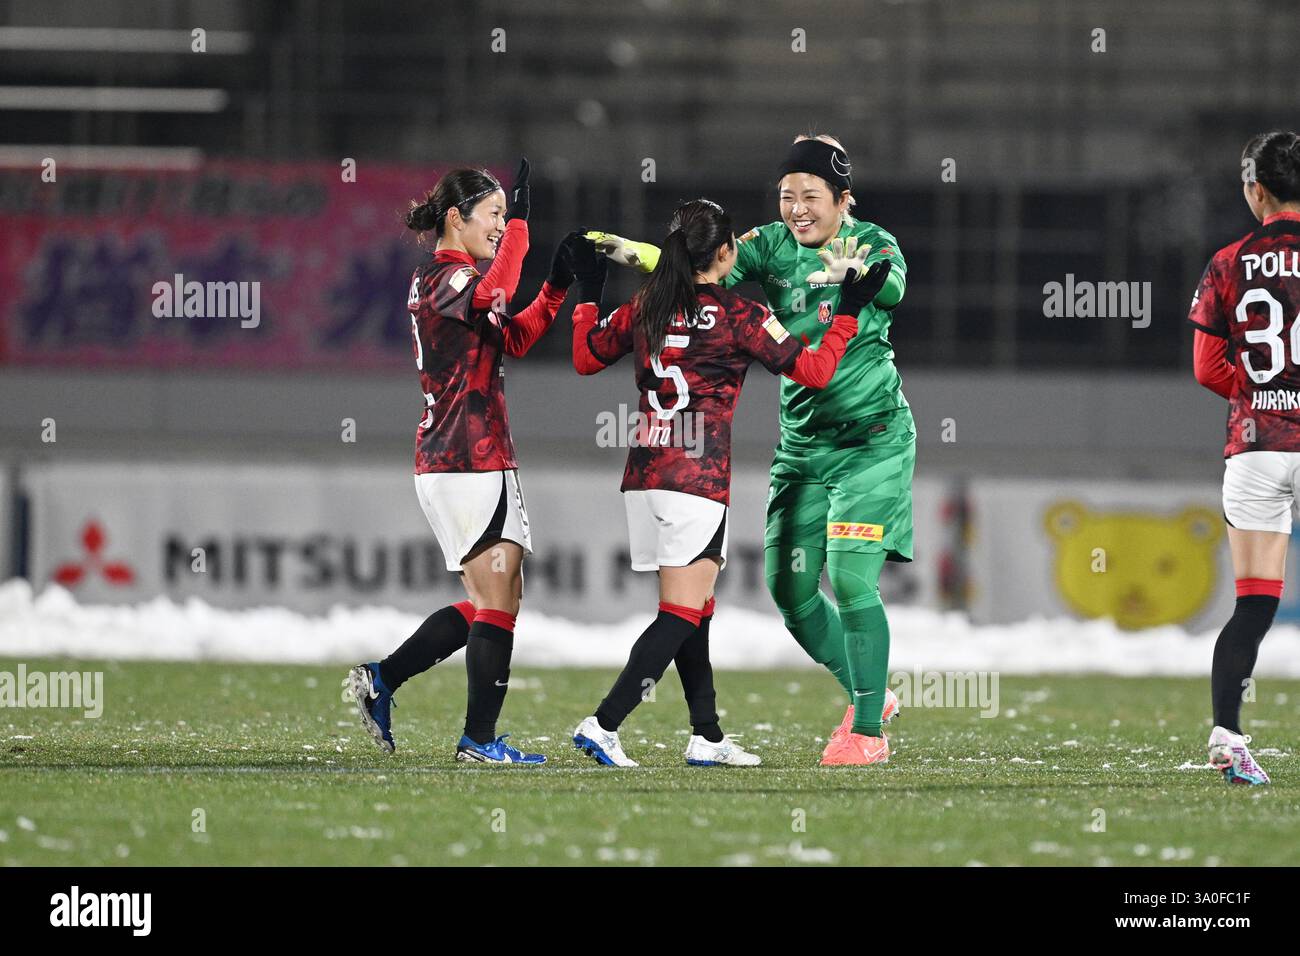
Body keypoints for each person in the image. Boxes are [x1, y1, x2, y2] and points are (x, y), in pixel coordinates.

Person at [587, 134, 908, 765]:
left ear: (844, 200)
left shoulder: (873, 242)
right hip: (803, 448)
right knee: (789, 592)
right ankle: (867, 691)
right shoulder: (768, 243)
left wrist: (860, 277)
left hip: (872, 440)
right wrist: (646, 256)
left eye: (811, 196)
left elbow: (890, 286)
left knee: (847, 577)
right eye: (787, 195)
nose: (797, 208)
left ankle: (866, 730)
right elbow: (703, 272)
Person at [344, 159, 581, 765]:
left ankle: (384, 679)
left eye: (507, 214)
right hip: (468, 456)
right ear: (457, 217)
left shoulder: (458, 282)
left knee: (493, 598)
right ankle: (478, 739)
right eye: (495, 214)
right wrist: (526, 228)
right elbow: (497, 293)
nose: (502, 225)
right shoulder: (444, 277)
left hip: (460, 456)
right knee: (497, 599)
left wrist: (556, 286)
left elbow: (517, 336)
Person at [1189, 130, 1300, 785]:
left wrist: (1264, 394)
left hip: (1257, 447)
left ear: (1255, 189)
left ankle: (1228, 737)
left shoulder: (1229, 260)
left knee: (1254, 605)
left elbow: (1207, 368)